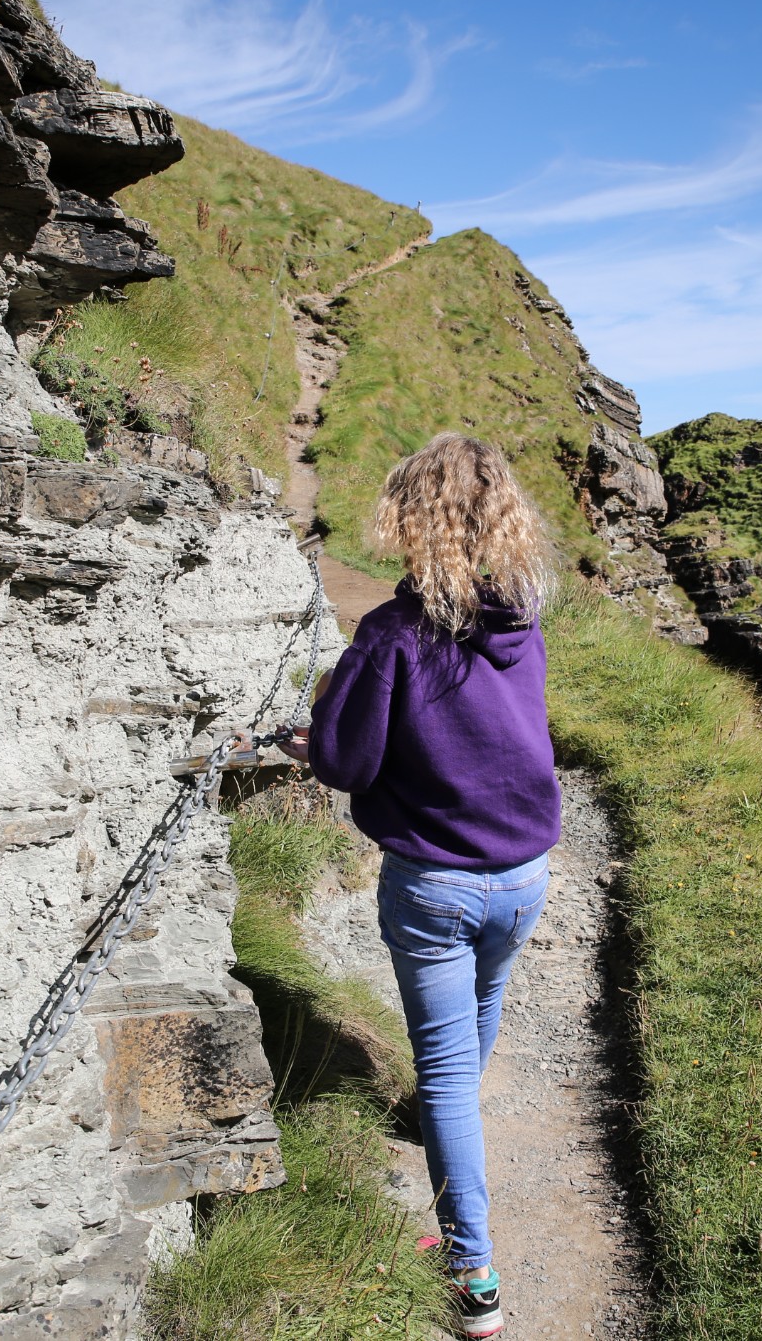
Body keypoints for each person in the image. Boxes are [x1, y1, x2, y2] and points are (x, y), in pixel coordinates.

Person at [278, 433, 560, 1339]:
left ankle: (473, 1279)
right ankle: (449, 1135)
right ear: (500, 522)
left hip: (435, 881)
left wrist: (313, 731)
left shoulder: (393, 634)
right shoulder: (523, 623)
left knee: (443, 1074)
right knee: (481, 1009)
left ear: (411, 518)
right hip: (525, 875)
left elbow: (348, 759)